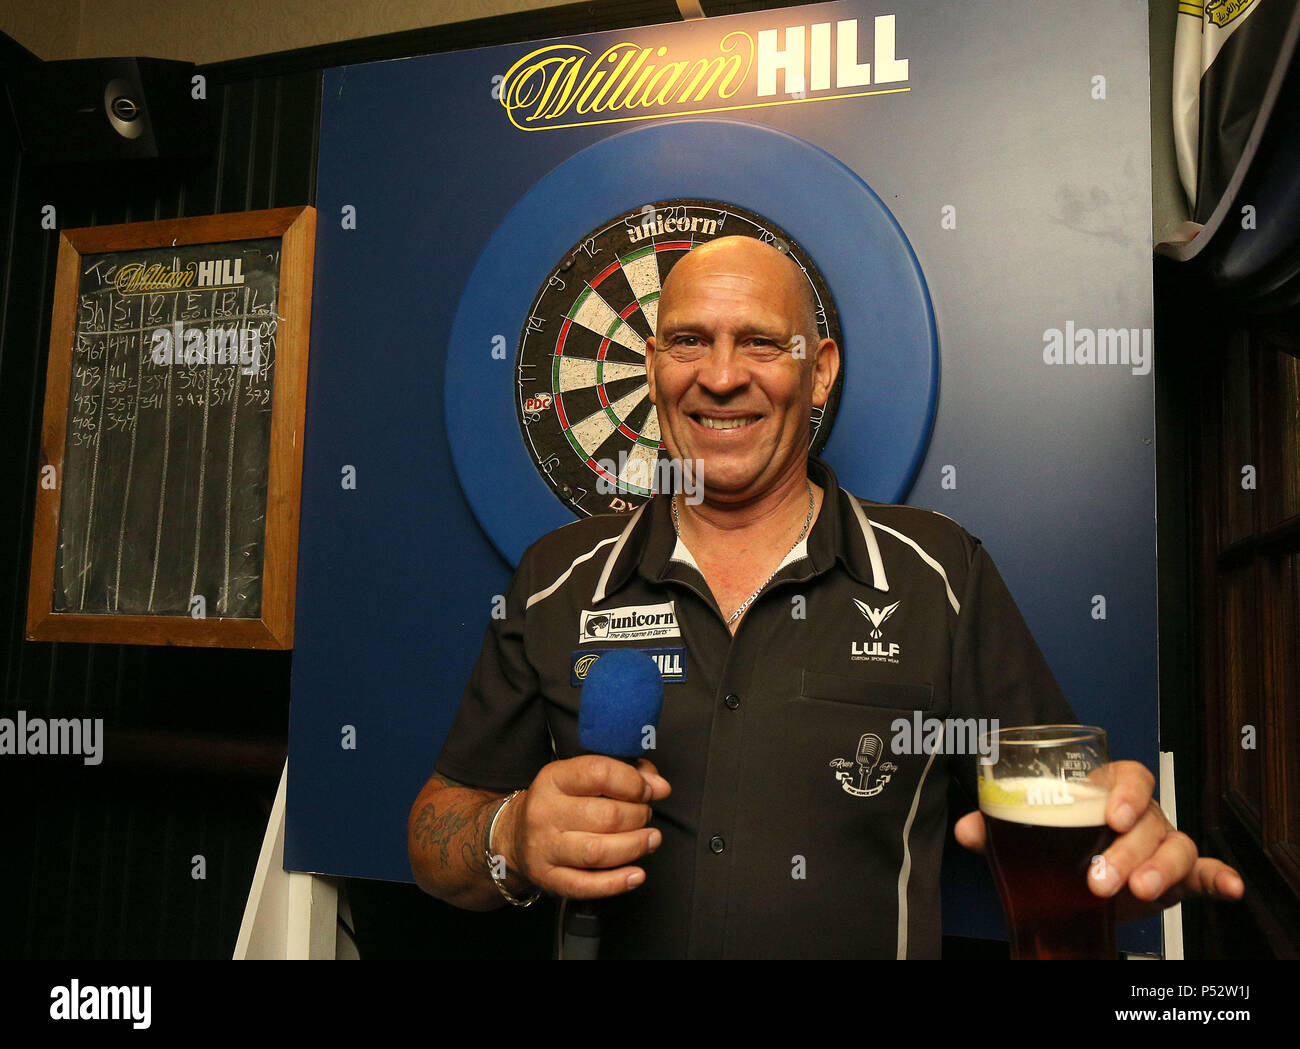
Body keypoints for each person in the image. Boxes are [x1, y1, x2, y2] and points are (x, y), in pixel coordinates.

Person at [409, 236, 1243, 958]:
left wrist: (1119, 854)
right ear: (653, 367)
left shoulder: (939, 574)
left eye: (761, 343)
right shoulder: (557, 576)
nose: (721, 376)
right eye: (689, 341)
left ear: (820, 373)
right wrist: (509, 835)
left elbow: (1069, 807)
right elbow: (435, 829)